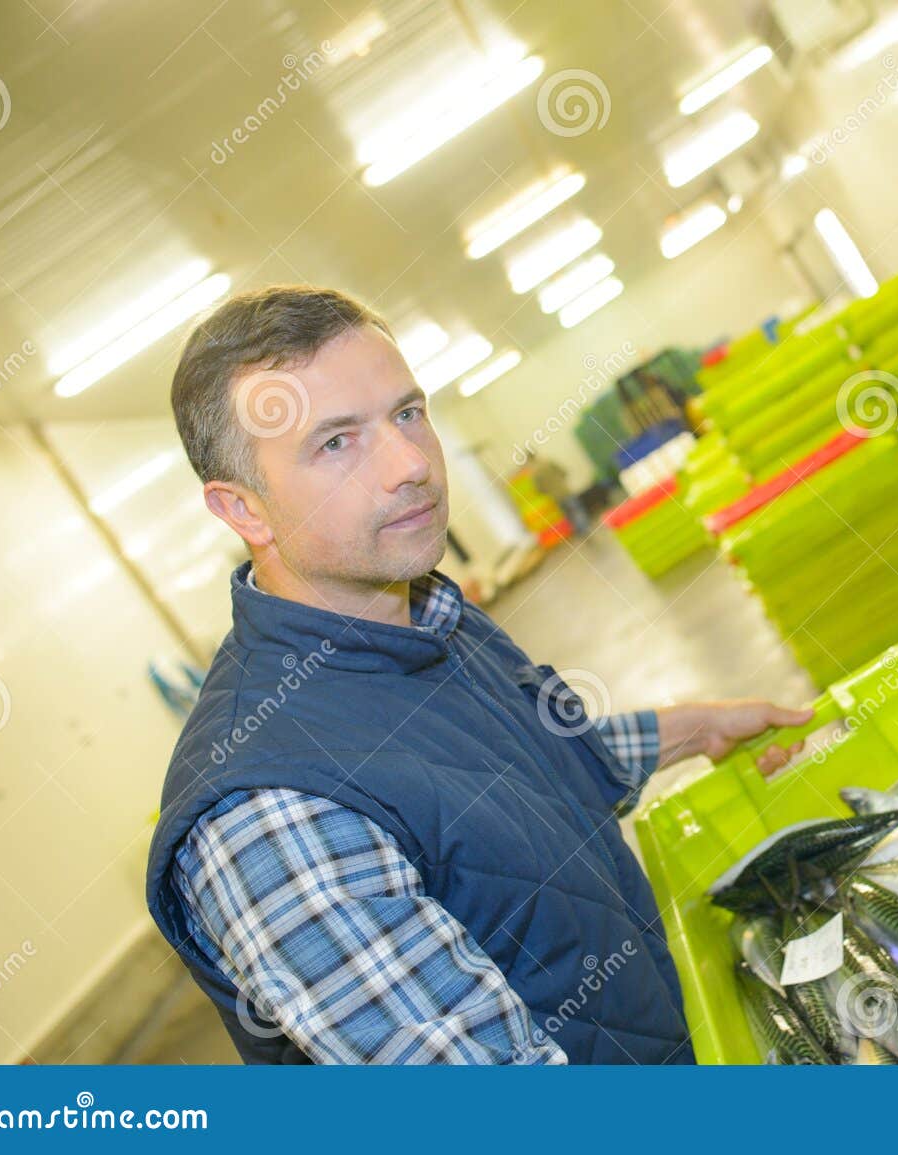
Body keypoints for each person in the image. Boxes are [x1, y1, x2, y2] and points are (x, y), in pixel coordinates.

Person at [144, 285, 811, 1064]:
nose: (409, 465)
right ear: (244, 510)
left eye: (406, 413)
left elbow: (514, 773)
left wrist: (694, 728)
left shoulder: (423, 616)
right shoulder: (271, 814)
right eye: (336, 443)